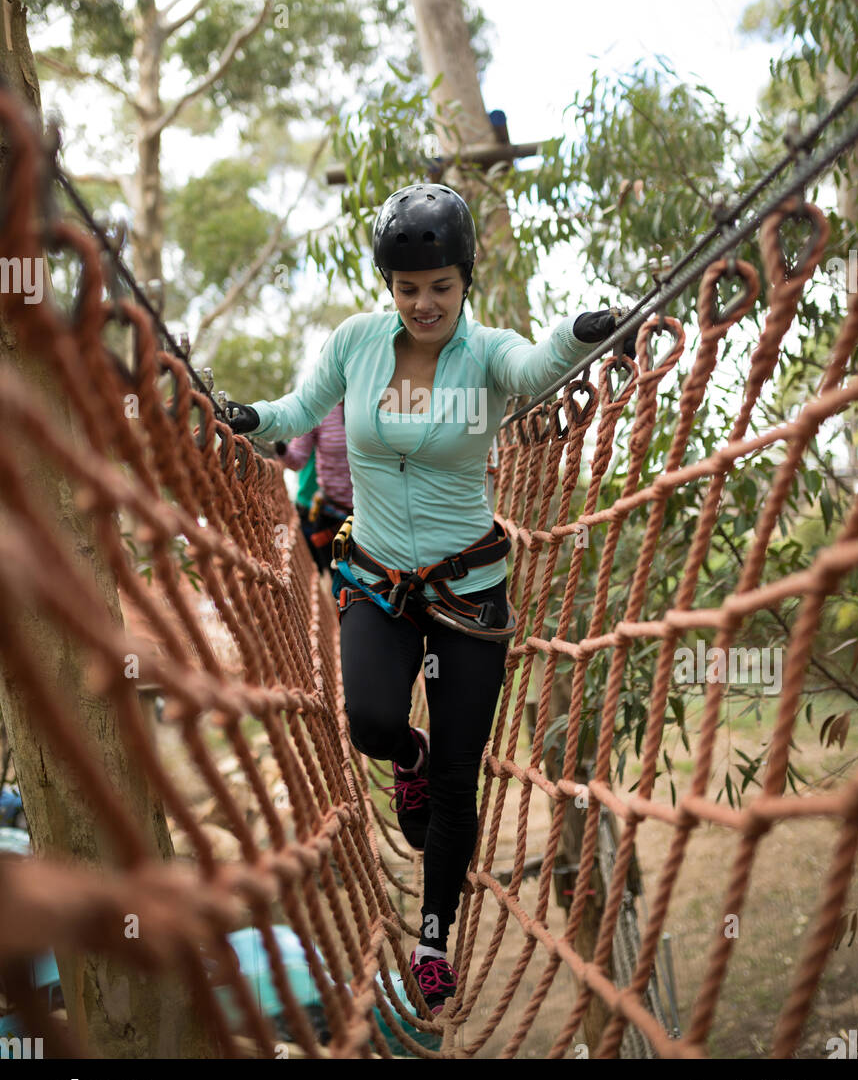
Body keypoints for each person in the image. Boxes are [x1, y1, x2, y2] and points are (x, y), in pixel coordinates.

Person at [226, 182, 632, 1017]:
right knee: (372, 722)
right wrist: (242, 416)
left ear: (464, 279)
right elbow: (295, 412)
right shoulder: (356, 343)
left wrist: (582, 331)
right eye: (407, 288)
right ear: (388, 287)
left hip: (467, 594)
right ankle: (401, 761)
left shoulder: (485, 353)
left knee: (458, 779)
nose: (423, 304)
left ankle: (433, 937)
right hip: (375, 576)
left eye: (440, 286)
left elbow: (535, 366)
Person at [276, 404, 354, 572]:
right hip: (331, 514)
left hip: (373, 513)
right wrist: (278, 445)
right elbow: (296, 459)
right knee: (339, 580)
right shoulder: (319, 408)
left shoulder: (375, 404)